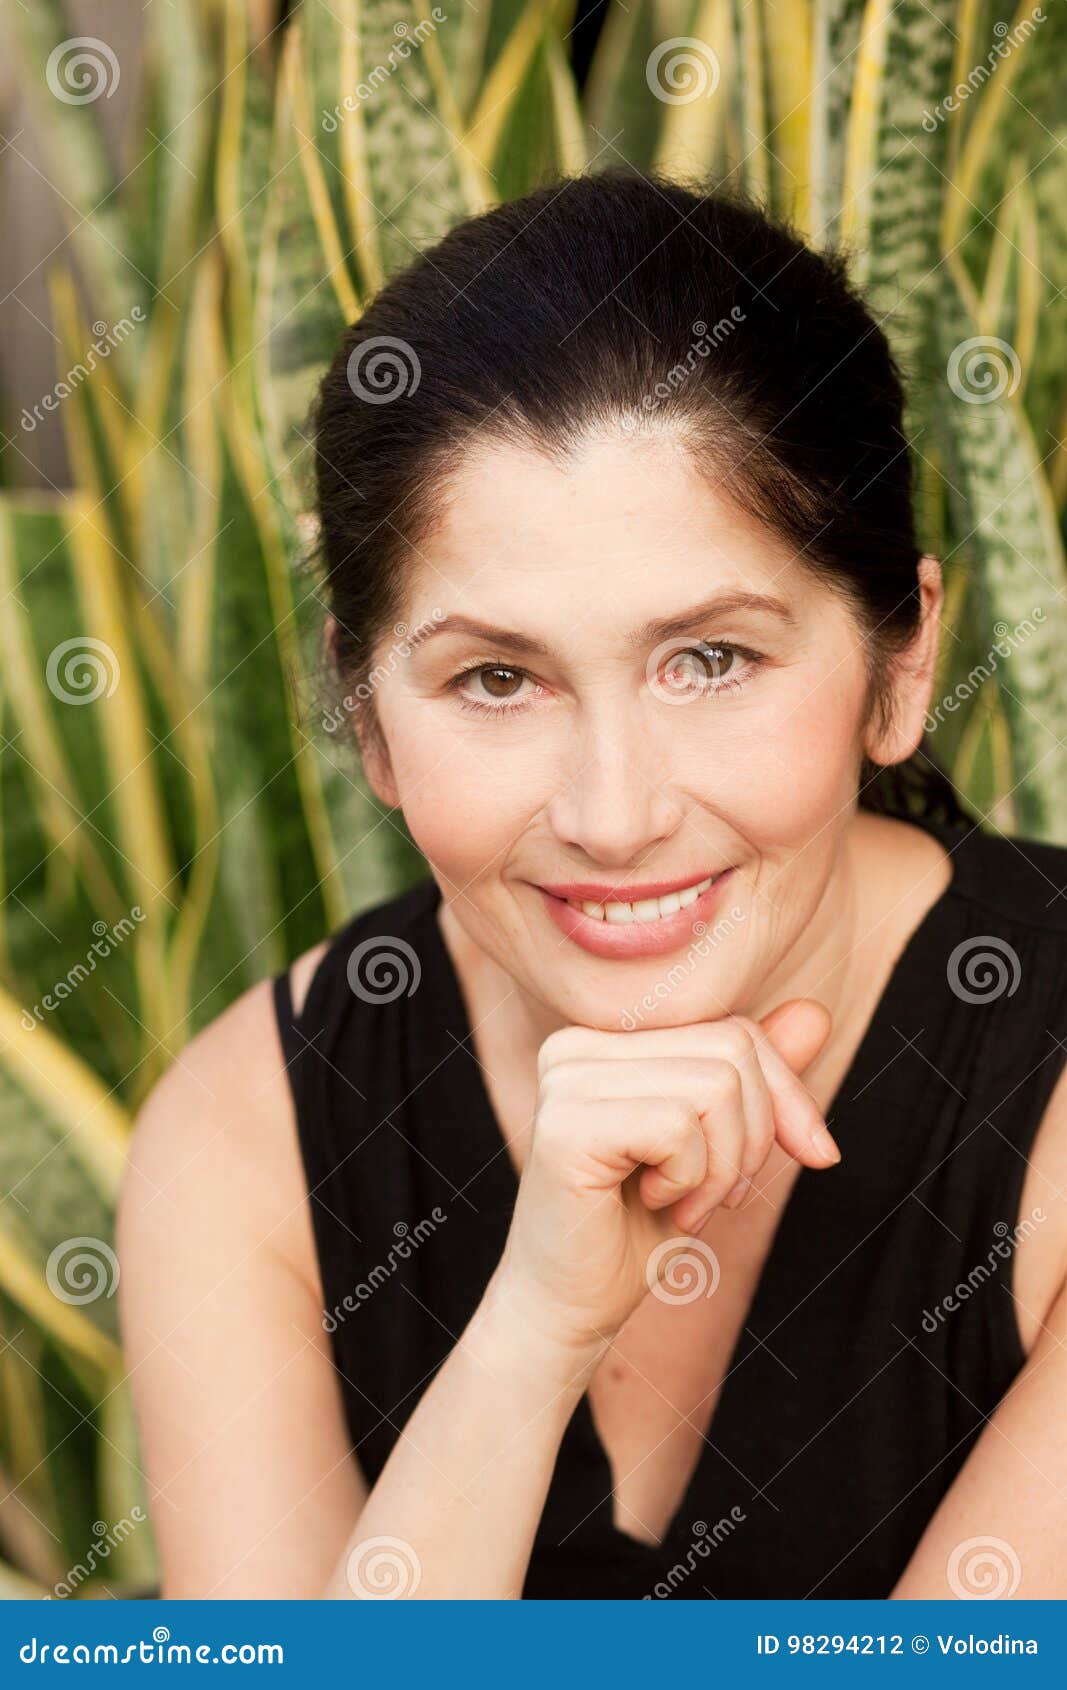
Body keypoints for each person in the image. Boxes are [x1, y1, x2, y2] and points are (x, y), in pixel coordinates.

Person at [117, 170, 1067, 1600]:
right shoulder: (247, 1134)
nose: (614, 815)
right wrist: (533, 1328)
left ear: (902, 662)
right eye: (496, 678)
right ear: (367, 719)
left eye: (714, 659)